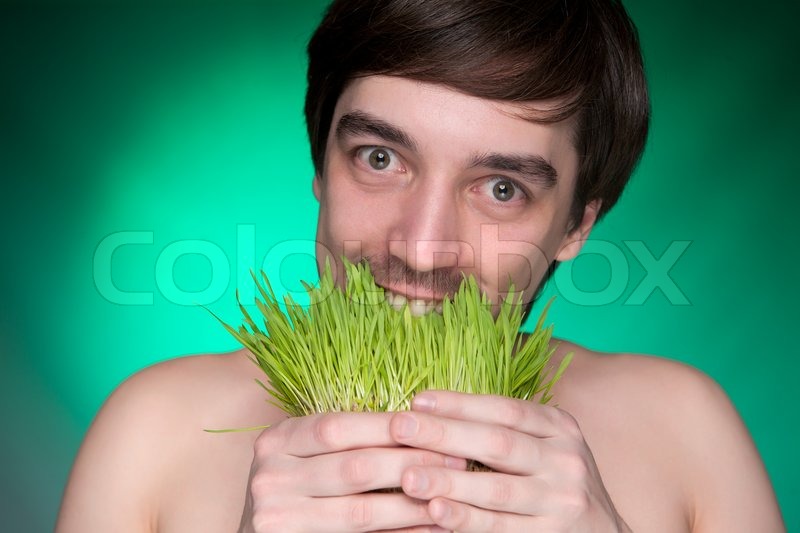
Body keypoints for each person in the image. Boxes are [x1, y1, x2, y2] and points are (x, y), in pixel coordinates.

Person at [56, 0, 785, 531]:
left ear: (576, 224)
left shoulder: (686, 431)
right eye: (380, 157)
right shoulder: (151, 433)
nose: (420, 247)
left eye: (502, 188)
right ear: (321, 162)